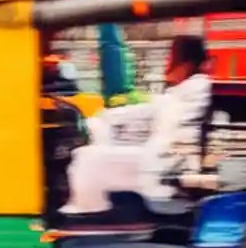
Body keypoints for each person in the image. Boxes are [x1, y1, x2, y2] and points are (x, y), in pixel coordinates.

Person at [59, 35, 213, 215]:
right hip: (160, 154)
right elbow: (154, 109)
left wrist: (110, 116)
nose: (166, 63)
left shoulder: (195, 87)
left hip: (164, 160)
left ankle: (87, 211)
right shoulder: (187, 89)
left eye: (171, 58)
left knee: (87, 157)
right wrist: (110, 115)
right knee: (96, 138)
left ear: (184, 64)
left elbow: (160, 110)